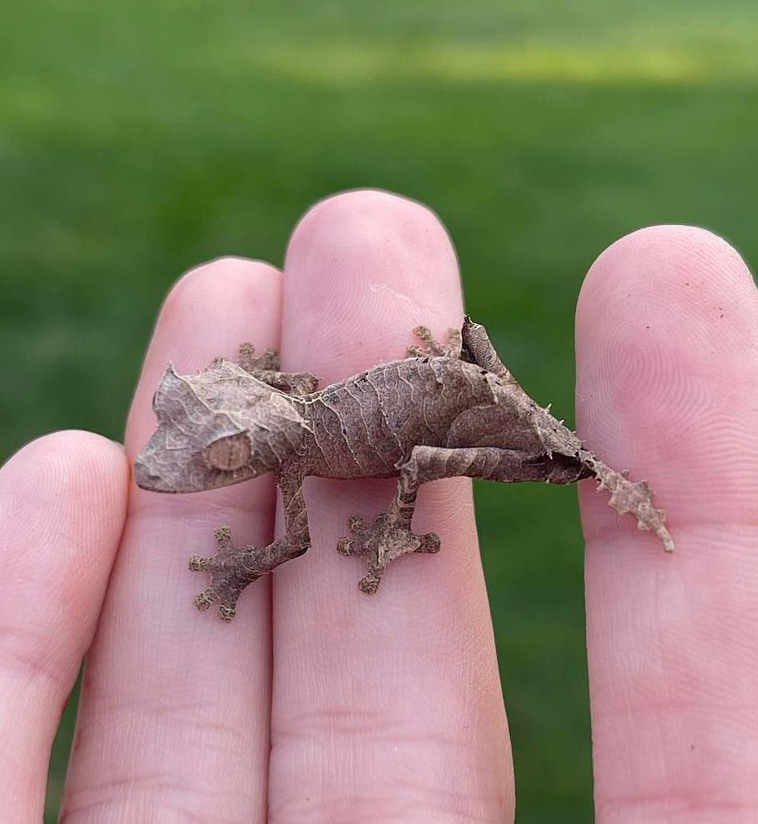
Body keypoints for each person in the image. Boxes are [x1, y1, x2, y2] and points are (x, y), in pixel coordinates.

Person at [2, 190, 756, 822]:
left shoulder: (293, 456)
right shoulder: (292, 416)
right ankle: (477, 384)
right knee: (467, 366)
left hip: (465, 431)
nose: (182, 468)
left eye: (213, 456)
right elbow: (292, 397)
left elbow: (293, 545)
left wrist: (250, 568)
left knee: (443, 461)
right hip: (449, 388)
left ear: (255, 445)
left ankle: (447, 502)